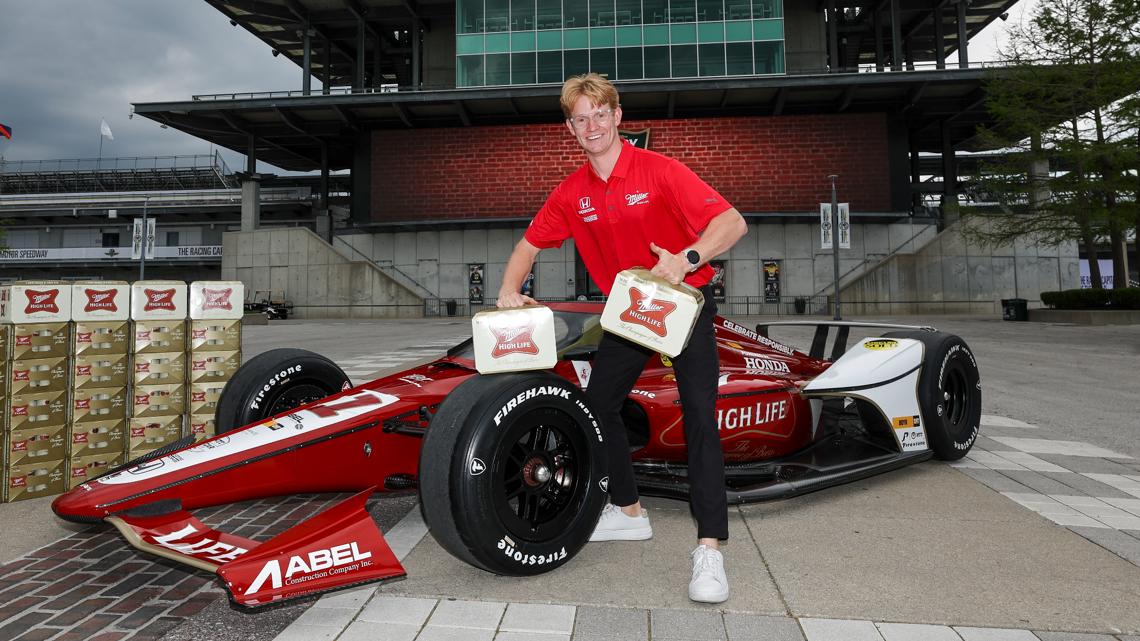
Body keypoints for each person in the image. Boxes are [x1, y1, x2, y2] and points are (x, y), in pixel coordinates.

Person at [496, 73, 747, 603]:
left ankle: (710, 549)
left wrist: (688, 258)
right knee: (598, 406)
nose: (592, 126)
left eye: (599, 114)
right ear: (571, 128)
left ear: (617, 116)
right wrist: (508, 290)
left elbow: (732, 222)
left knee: (701, 416)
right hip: (629, 311)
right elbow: (528, 244)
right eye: (580, 119)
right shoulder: (571, 192)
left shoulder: (660, 171)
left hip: (683, 304)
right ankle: (630, 511)